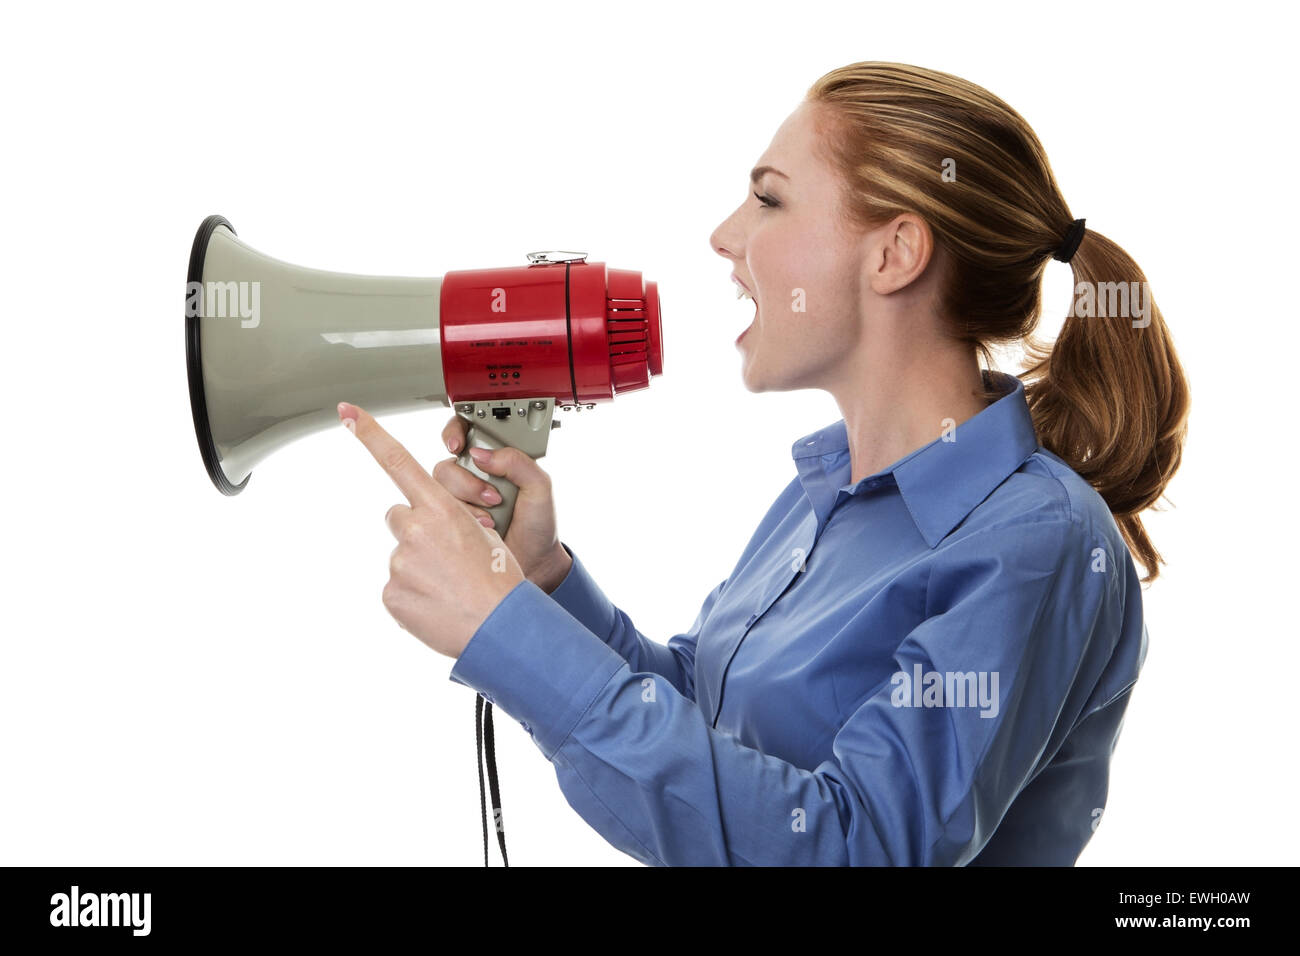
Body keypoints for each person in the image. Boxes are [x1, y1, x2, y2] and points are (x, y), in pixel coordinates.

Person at [340, 61, 1190, 865]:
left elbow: (854, 848)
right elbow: (714, 729)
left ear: (894, 254)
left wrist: (508, 636)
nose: (724, 235)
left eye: (769, 200)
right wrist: (541, 589)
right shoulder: (826, 494)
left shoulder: (1034, 540)